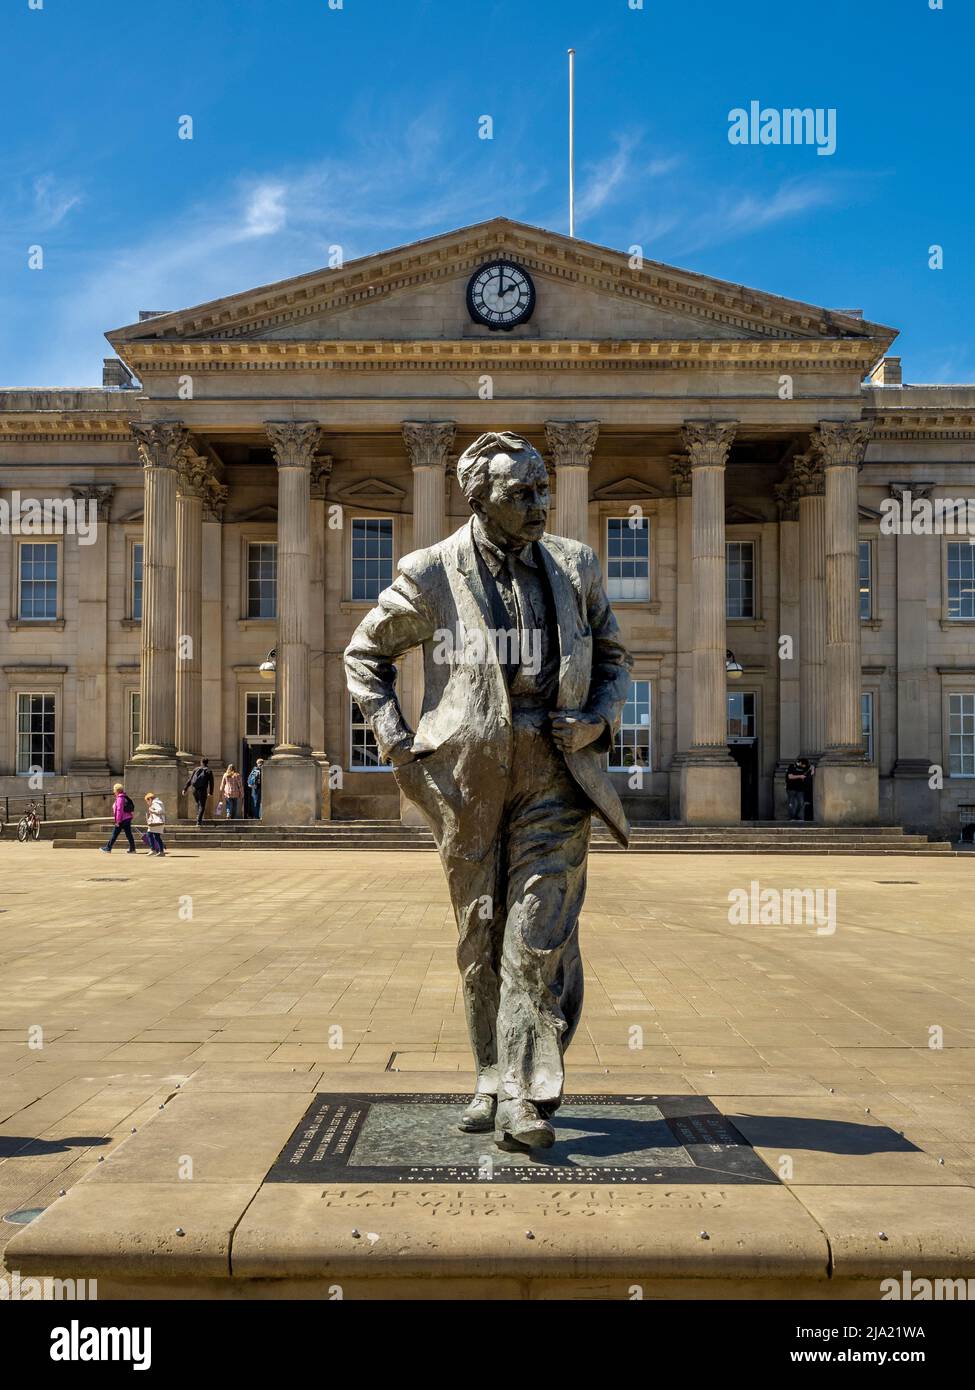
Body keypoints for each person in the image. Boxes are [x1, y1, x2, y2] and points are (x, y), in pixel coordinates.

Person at [345, 430, 631, 1153]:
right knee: (481, 933)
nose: (539, 504)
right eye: (521, 493)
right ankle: (489, 1074)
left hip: (555, 770)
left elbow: (614, 655)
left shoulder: (576, 565)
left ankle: (526, 1097)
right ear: (478, 497)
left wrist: (597, 718)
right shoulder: (431, 571)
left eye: (542, 489)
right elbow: (365, 654)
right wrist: (396, 742)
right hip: (465, 779)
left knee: (534, 937)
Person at [101, 782, 137, 853]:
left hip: (122, 819)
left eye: (114, 790)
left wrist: (118, 821)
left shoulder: (120, 798)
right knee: (129, 834)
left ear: (117, 790)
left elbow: (119, 810)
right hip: (127, 818)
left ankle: (108, 848)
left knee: (115, 834)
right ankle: (132, 849)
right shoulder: (124, 796)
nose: (113, 792)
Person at [182, 757, 214, 827]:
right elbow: (211, 782)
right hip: (202, 789)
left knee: (197, 803)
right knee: (202, 805)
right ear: (207, 763)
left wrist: (185, 788)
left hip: (194, 789)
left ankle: (198, 816)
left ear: (201, 762)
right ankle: (199, 822)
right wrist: (210, 792)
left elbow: (190, 779)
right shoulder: (208, 770)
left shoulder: (196, 769)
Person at [144, 792, 167, 856]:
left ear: (150, 799)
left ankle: (153, 850)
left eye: (147, 801)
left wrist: (152, 811)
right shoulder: (158, 802)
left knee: (149, 834)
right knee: (156, 836)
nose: (147, 803)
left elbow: (160, 810)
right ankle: (161, 851)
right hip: (158, 822)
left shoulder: (155, 803)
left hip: (157, 822)